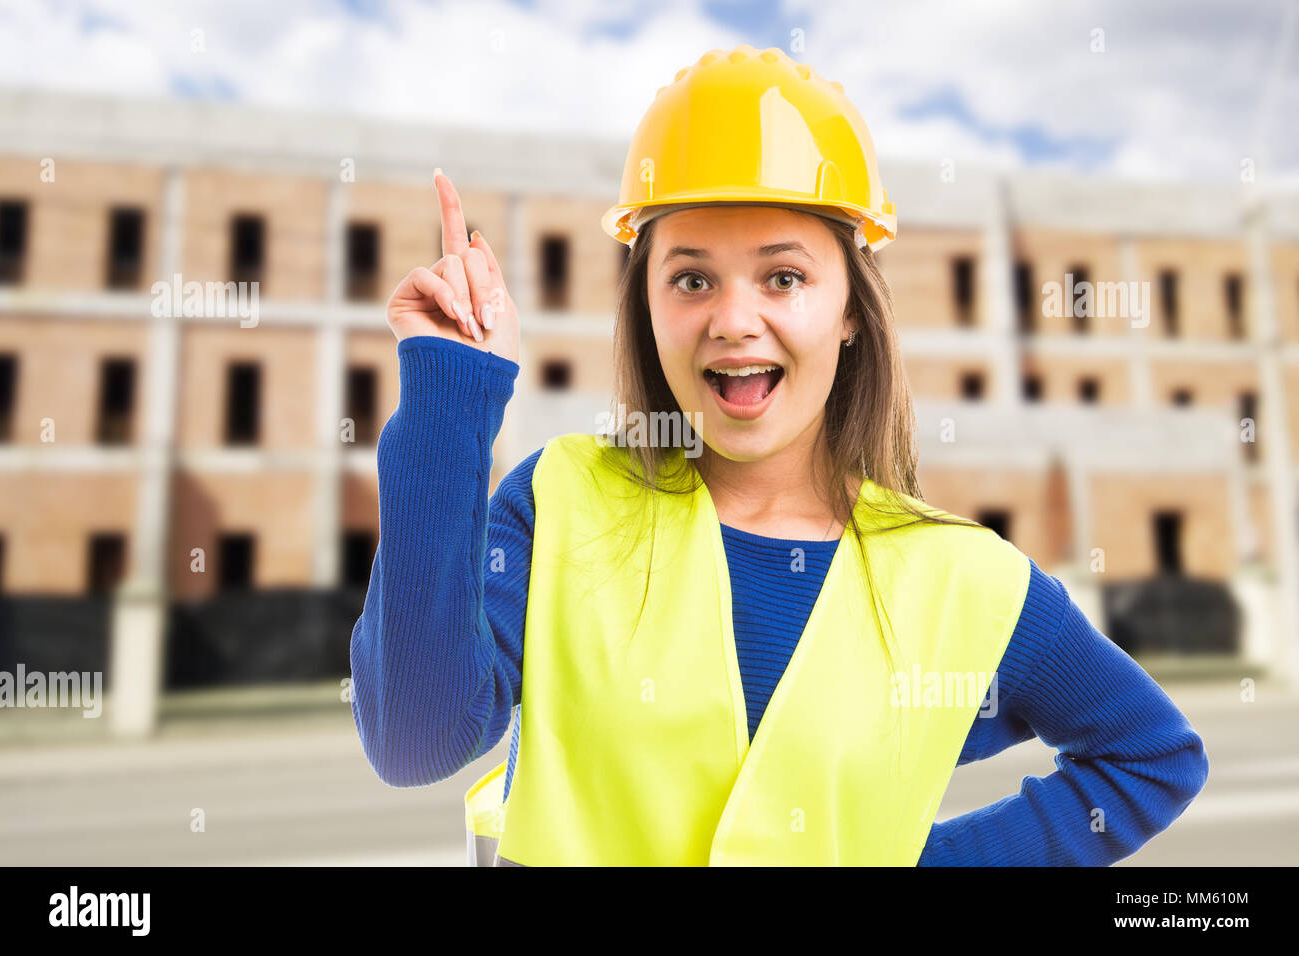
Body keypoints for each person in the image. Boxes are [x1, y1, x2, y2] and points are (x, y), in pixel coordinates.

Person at [349, 45, 1209, 866]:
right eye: (690, 278)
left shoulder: (967, 582)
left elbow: (1148, 757)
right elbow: (413, 738)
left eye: (784, 277)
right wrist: (449, 394)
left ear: (850, 313)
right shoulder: (561, 503)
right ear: (647, 306)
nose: (733, 319)